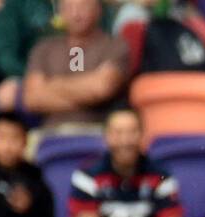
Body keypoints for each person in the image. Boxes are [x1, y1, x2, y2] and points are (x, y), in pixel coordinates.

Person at [68, 107, 184, 217]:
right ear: (106, 136)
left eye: (132, 132)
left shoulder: (161, 176)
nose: (125, 141)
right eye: (118, 133)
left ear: (142, 135)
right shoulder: (87, 176)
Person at [22, 0, 130, 129]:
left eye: (83, 7)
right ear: (60, 13)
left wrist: (52, 85)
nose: (76, 14)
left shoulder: (114, 45)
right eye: (69, 8)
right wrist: (87, 95)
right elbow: (32, 98)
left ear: (98, 10)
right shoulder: (43, 48)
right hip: (51, 133)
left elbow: (101, 87)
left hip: (98, 132)